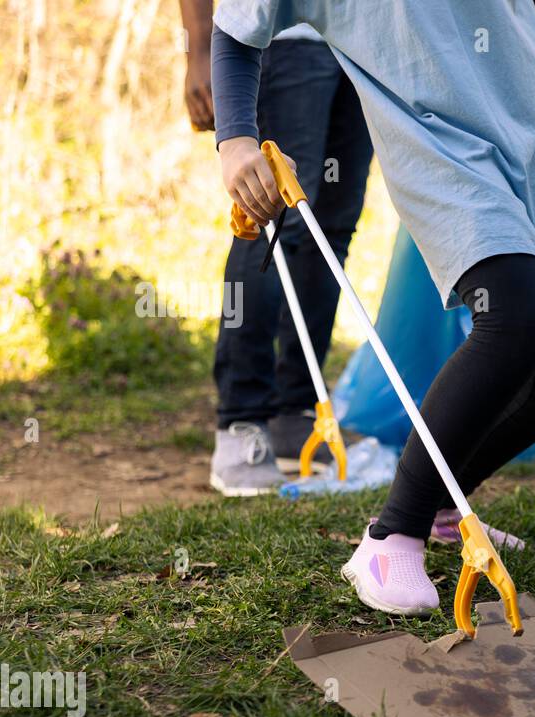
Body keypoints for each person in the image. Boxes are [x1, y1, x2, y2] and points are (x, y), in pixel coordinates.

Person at [210, 0, 535, 612]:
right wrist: (235, 141)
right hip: (440, 141)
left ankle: (448, 502)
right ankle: (392, 533)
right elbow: (236, 29)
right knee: (519, 318)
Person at [180, 0, 373, 496]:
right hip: (279, 40)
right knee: (270, 217)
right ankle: (241, 420)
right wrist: (199, 49)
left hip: (360, 47)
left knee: (331, 229)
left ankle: (297, 413)